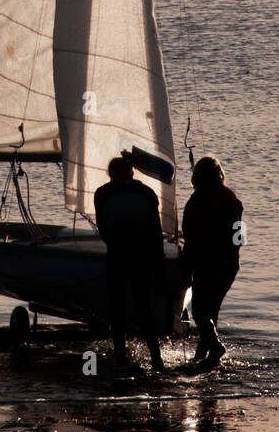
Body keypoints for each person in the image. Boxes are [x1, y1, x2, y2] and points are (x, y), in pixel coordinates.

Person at [94, 151, 166, 372]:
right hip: (143, 255)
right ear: (132, 172)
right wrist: (158, 261)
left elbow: (103, 229)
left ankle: (119, 353)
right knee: (143, 306)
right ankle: (156, 358)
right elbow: (156, 231)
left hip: (117, 254)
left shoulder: (103, 193)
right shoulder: (147, 192)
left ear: (111, 174)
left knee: (117, 306)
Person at [181, 156, 243, 367]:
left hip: (208, 262)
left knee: (198, 310)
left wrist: (187, 265)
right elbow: (240, 236)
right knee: (210, 310)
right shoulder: (232, 199)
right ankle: (204, 353)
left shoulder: (198, 199)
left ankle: (215, 346)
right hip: (230, 263)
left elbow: (191, 235)